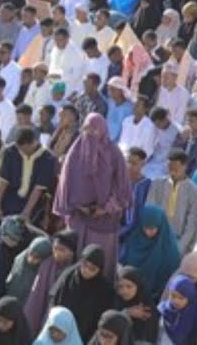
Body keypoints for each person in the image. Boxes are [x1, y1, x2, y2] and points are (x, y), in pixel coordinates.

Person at [52, 114, 129, 277]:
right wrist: (77, 206)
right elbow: (66, 184)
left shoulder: (114, 154)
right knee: (73, 268)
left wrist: (104, 209)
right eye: (86, 129)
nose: (90, 134)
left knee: (98, 267)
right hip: (78, 219)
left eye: (94, 130)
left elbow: (122, 191)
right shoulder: (75, 151)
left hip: (103, 223)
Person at [47, 244, 115, 341]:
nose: (86, 271)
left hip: (84, 337)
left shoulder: (104, 290)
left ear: (100, 269)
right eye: (84, 265)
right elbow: (54, 299)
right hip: (58, 331)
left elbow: (102, 320)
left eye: (92, 269)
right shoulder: (69, 276)